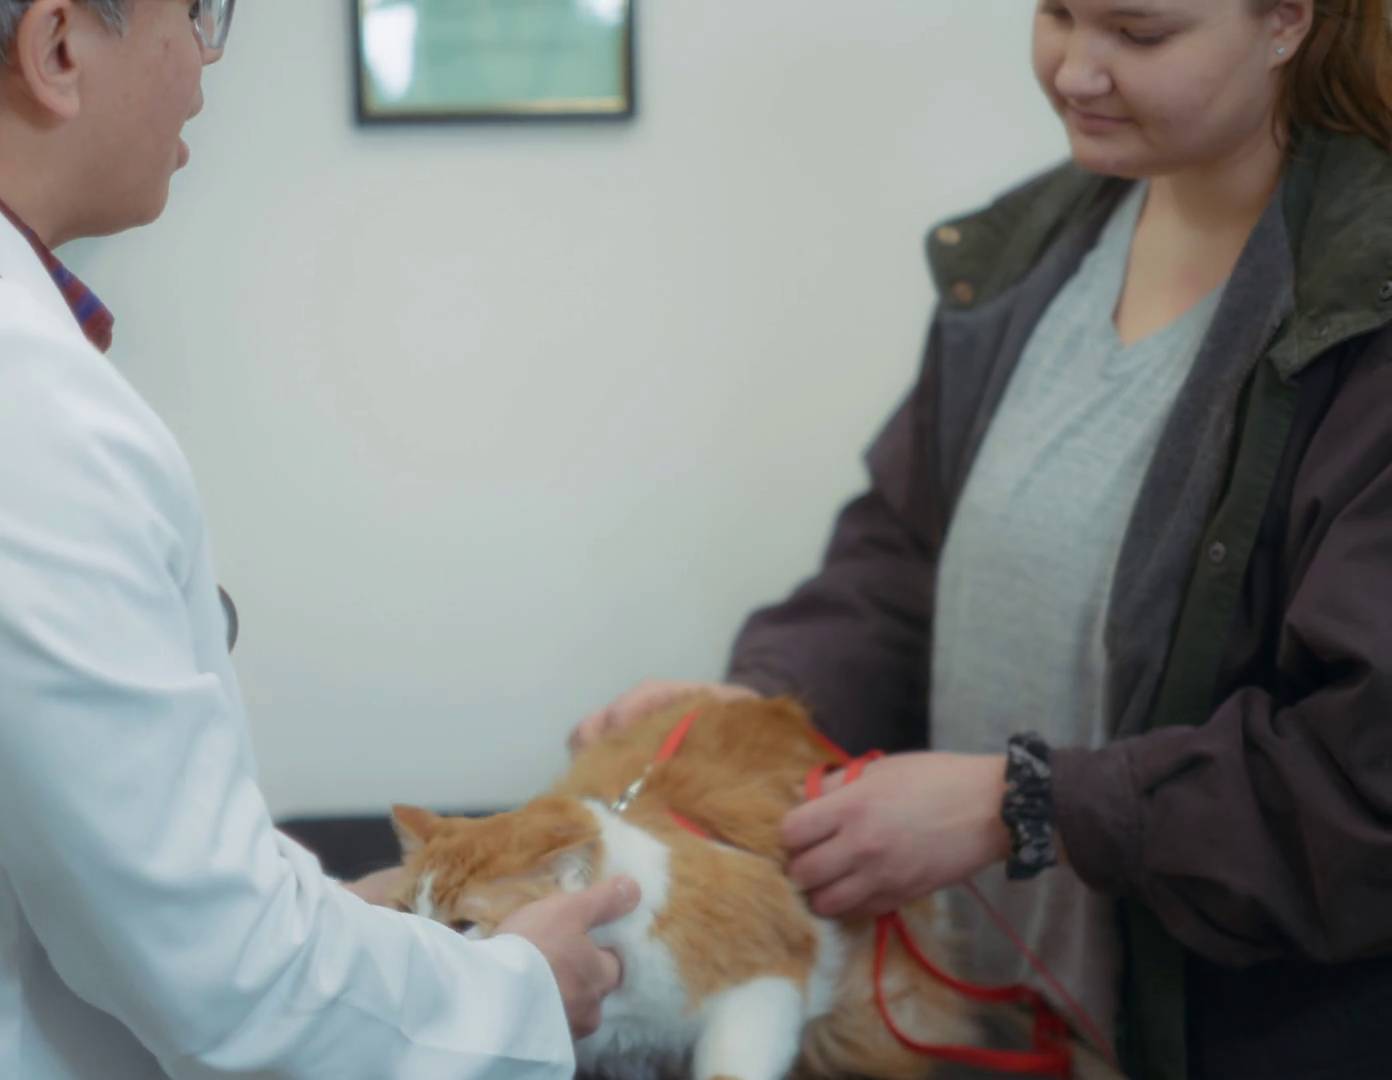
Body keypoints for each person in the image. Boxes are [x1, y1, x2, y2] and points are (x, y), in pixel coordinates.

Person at [0, 2, 639, 1077]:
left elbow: (67, 866)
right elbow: (235, 985)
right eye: (195, 12)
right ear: (58, 48)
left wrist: (324, 921)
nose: (205, 57)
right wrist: (515, 990)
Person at [574, 1, 1392, 1077]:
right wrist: (761, 707)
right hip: (975, 1026)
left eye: (1139, 36)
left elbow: (1362, 776)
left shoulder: (1360, 315)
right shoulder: (1029, 252)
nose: (1078, 74)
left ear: (1288, 21)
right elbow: (904, 563)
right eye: (1057, 13)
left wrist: (1027, 806)